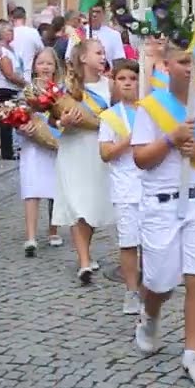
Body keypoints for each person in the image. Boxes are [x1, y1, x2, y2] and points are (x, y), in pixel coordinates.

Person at [131, 38, 195, 387]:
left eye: (194, 61)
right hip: (162, 202)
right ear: (167, 65)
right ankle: (150, 314)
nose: (190, 68)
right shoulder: (150, 107)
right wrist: (170, 139)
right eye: (183, 62)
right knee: (160, 282)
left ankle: (193, 354)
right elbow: (141, 159)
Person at [53, 38, 115, 283]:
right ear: (83, 57)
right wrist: (63, 121)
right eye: (98, 52)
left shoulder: (110, 85)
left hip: (98, 150)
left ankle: (85, 252)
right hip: (74, 149)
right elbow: (52, 120)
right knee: (77, 204)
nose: (103, 57)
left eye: (103, 53)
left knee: (92, 204)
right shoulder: (67, 88)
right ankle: (84, 261)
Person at [98, 58, 144, 314]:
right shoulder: (110, 117)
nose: (127, 83)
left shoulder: (149, 111)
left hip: (150, 185)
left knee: (152, 242)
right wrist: (128, 141)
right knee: (128, 242)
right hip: (125, 186)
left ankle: (151, 287)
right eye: (122, 79)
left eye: (133, 79)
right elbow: (105, 153)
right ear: (114, 82)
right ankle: (131, 291)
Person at [19, 47, 64, 255]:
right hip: (33, 144)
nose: (45, 67)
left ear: (55, 67)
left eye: (49, 63)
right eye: (41, 63)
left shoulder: (61, 91)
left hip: (55, 141)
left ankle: (53, 229)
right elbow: (18, 114)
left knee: (55, 188)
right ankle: (30, 236)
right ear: (34, 67)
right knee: (32, 187)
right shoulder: (27, 91)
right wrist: (22, 126)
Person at [0, 20, 26, 161]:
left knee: (11, 119)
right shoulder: (3, 51)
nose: (12, 33)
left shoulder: (11, 49)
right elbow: (9, 74)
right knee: (6, 120)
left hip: (12, 87)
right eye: (9, 31)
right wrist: (24, 83)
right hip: (5, 88)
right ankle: (7, 151)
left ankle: (11, 148)